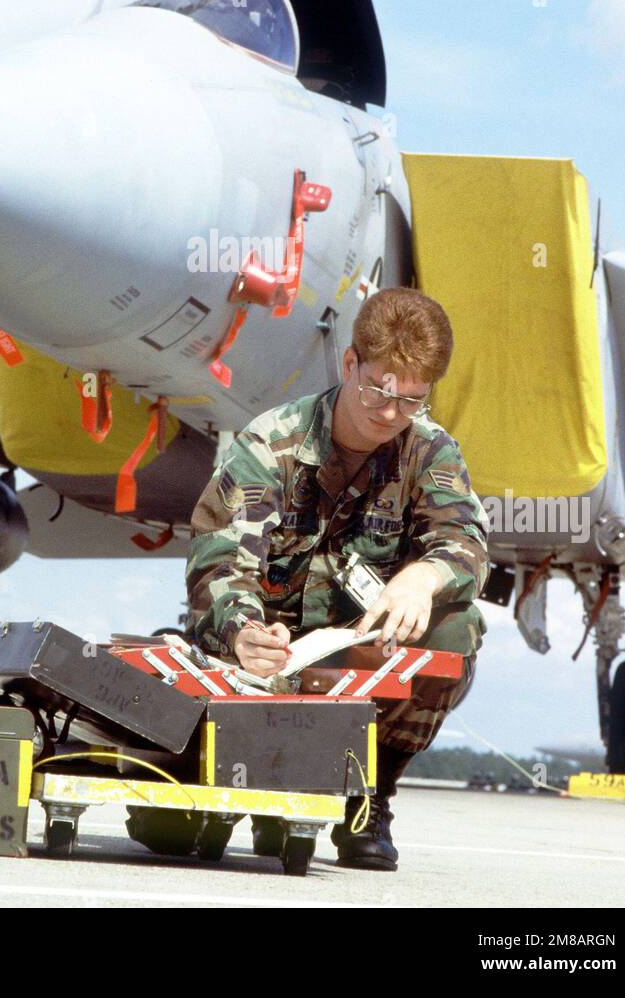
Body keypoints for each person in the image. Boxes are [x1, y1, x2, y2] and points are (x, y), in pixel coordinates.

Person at [185, 285, 490, 870]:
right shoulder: (271, 443)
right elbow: (220, 561)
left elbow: (466, 542)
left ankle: (371, 797)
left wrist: (424, 576)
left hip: (358, 652)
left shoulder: (429, 452)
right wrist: (244, 631)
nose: (391, 413)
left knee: (457, 627)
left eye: (412, 401)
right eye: (379, 390)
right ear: (350, 364)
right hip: (267, 653)